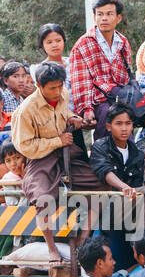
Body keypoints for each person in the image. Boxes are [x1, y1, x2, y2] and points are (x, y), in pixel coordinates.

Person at [11, 61, 108, 263]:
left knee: (100, 187)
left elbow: (64, 114)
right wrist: (56, 141)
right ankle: (52, 249)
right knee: (43, 198)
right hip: (41, 157)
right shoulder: (26, 110)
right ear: (39, 86)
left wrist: (73, 118)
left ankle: (83, 239)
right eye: (52, 88)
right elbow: (24, 146)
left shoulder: (63, 95)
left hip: (67, 152)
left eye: (60, 86)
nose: (57, 91)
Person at [88, 101, 145, 243]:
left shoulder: (137, 152)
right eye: (119, 123)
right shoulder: (100, 146)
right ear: (108, 126)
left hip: (128, 204)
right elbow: (105, 171)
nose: (124, 128)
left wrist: (131, 191)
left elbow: (137, 185)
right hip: (104, 206)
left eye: (128, 123)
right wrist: (123, 186)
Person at [67, 0, 133, 137]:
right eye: (100, 14)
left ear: (118, 18)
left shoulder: (123, 42)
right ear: (94, 17)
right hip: (98, 101)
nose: (104, 18)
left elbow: (127, 76)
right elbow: (81, 81)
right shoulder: (83, 44)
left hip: (120, 98)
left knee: (128, 130)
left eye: (109, 14)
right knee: (107, 125)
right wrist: (87, 109)